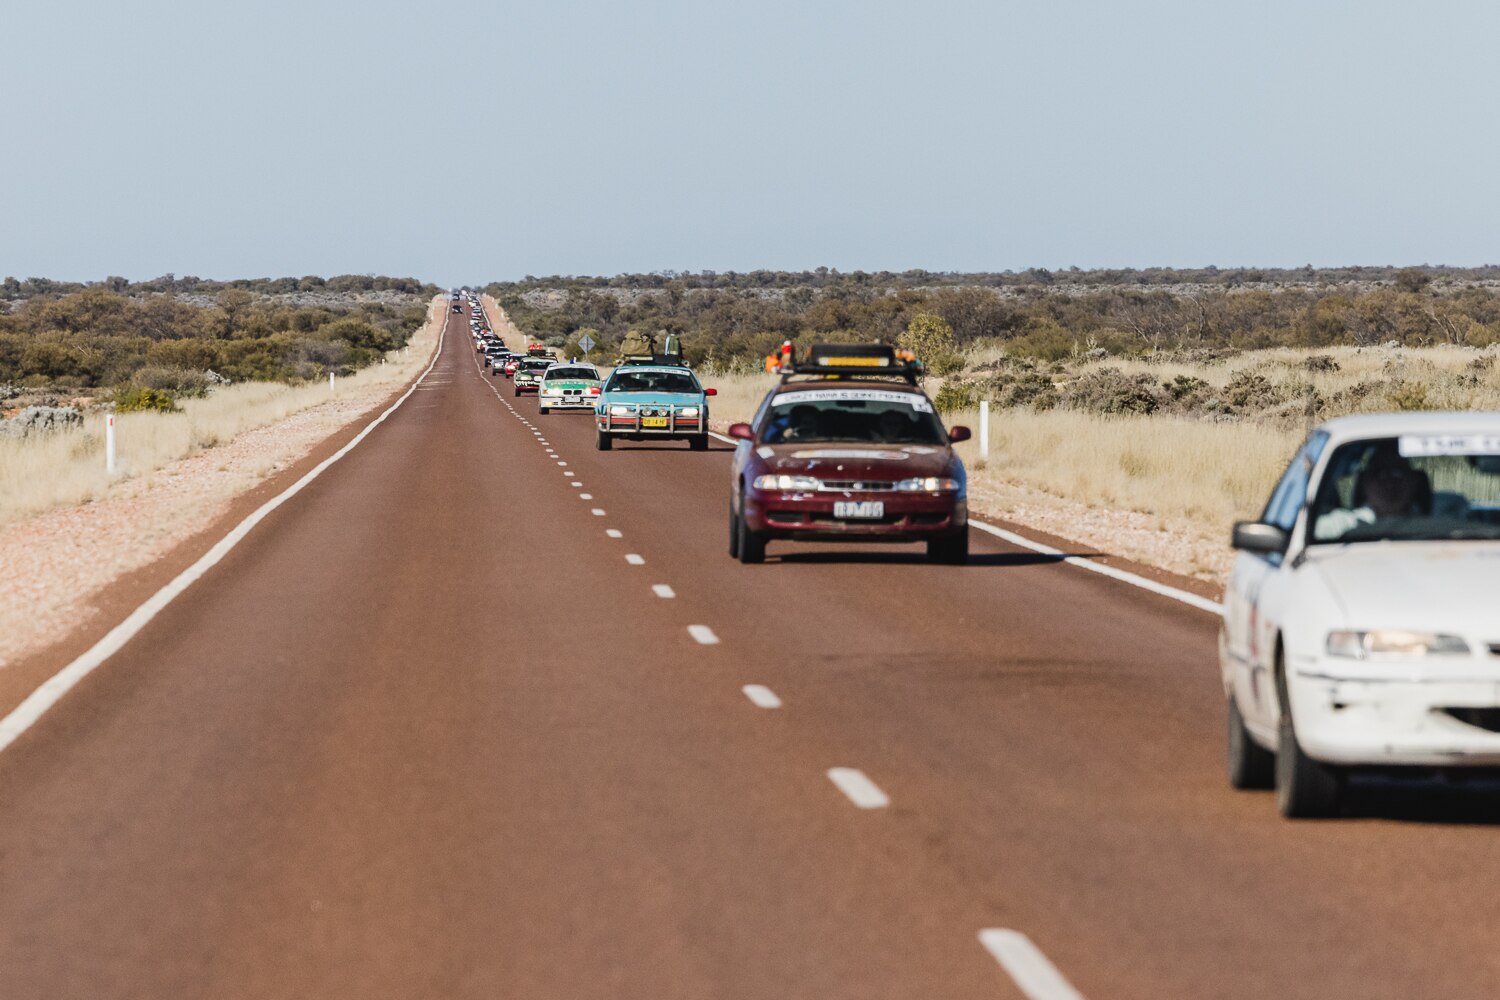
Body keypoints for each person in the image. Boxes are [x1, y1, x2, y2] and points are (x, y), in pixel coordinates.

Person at [1314, 443, 1431, 540]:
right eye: (1379, 474)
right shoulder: (1340, 525)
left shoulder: (1436, 525)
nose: (1389, 484)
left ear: (1414, 482)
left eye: (1398, 473)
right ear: (1364, 483)